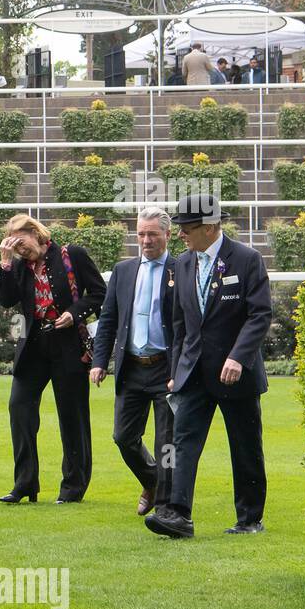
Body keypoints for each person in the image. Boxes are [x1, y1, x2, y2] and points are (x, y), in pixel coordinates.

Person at [145, 194, 271, 539]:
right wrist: (175, 371)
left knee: (244, 445)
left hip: (235, 373)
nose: (181, 232)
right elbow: (179, 325)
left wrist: (238, 356)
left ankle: (249, 519)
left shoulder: (246, 259)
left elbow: (260, 314)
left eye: (188, 226)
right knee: (182, 443)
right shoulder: (183, 264)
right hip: (193, 373)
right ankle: (178, 515)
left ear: (211, 226)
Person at [0, 214, 106, 504]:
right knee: (19, 408)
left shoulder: (72, 255)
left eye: (22, 244)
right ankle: (25, 484)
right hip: (33, 347)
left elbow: (99, 294)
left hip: (68, 345)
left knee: (72, 416)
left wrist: (75, 312)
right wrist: (6, 264)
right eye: (15, 247)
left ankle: (73, 487)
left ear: (36, 232)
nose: (21, 251)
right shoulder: (18, 267)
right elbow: (7, 300)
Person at [90, 209, 176, 517]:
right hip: (131, 367)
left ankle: (167, 507)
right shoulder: (123, 271)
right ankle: (152, 482)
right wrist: (99, 361)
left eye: (152, 234)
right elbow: (108, 319)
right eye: (141, 234)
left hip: (166, 368)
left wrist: (182, 368)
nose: (146, 240)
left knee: (167, 443)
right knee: (123, 437)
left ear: (168, 235)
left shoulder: (180, 270)